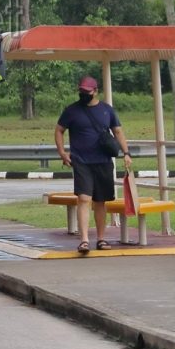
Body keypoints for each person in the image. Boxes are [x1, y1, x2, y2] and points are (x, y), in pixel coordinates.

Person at [54, 76, 131, 255]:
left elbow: (118, 131)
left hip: (103, 161)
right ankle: (84, 241)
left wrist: (126, 153)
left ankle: (101, 239)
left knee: (100, 201)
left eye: (87, 92)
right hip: (81, 161)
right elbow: (59, 130)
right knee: (84, 199)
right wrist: (62, 152)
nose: (83, 94)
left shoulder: (106, 110)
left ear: (95, 91)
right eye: (81, 91)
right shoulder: (71, 111)